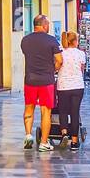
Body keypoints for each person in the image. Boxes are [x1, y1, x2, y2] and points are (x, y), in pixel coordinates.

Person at [20, 15, 62, 151]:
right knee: (45, 111)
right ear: (44, 25)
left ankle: (28, 135)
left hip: (30, 79)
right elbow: (59, 60)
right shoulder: (51, 40)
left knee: (29, 108)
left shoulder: (25, 40)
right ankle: (44, 143)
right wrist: (54, 68)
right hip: (46, 80)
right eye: (48, 24)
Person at [55, 31, 87, 149]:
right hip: (77, 86)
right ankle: (74, 142)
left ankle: (64, 133)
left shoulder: (61, 53)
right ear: (74, 41)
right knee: (75, 113)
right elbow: (82, 69)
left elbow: (57, 66)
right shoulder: (81, 54)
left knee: (62, 110)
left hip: (63, 86)